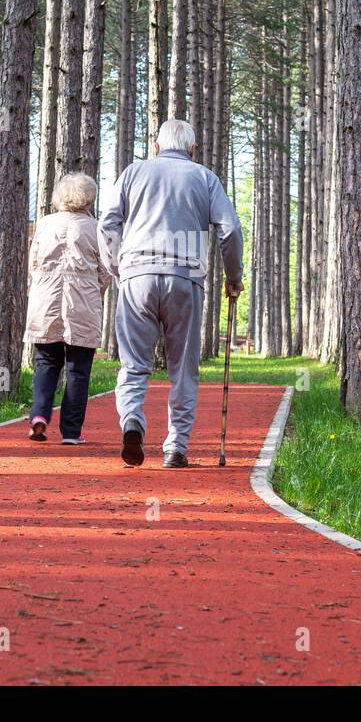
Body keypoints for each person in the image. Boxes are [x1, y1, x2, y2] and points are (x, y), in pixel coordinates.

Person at [100, 119, 244, 468]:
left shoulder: (134, 172)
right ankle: (176, 447)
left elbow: (107, 221)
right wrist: (233, 276)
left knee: (134, 364)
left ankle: (132, 419)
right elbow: (230, 229)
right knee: (183, 368)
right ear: (192, 149)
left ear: (157, 146)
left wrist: (117, 267)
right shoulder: (204, 177)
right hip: (185, 276)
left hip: (138, 275)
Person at [23, 172, 110, 444]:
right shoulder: (96, 228)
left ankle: (39, 415)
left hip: (45, 300)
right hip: (82, 303)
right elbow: (106, 270)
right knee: (78, 369)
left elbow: (33, 264)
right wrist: (96, 291)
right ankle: (71, 432)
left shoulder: (45, 224)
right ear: (89, 198)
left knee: (46, 363)